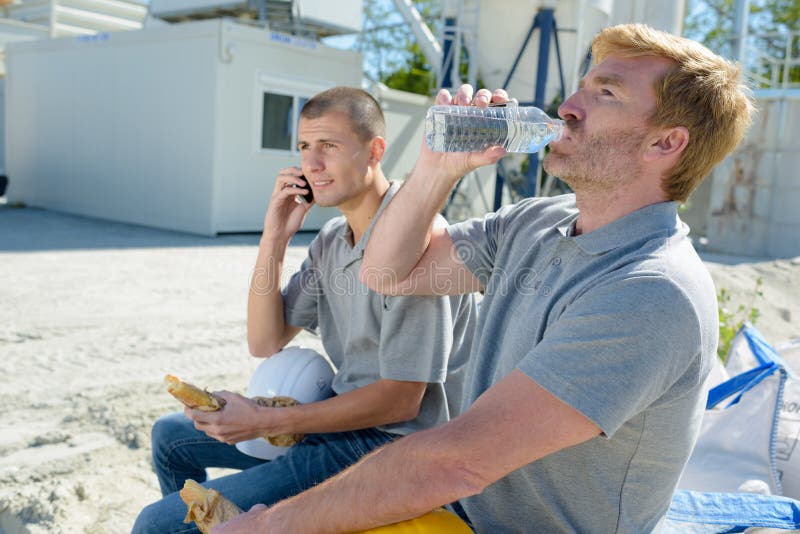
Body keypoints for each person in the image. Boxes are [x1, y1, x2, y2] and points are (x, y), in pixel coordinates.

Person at [209, 24, 756, 533]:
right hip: (463, 512)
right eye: (582, 87)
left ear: (666, 143)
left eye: (605, 93)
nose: (567, 107)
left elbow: (455, 462)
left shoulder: (651, 290)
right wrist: (436, 170)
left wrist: (265, 525)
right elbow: (386, 273)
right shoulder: (538, 222)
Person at [132, 86, 477, 533]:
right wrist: (274, 236)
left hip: (387, 446)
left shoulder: (419, 238)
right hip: (336, 420)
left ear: (374, 151)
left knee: (156, 525)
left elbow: (401, 400)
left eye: (328, 147)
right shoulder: (332, 238)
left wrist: (266, 420)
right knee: (171, 440)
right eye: (304, 147)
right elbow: (265, 341)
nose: (311, 164)